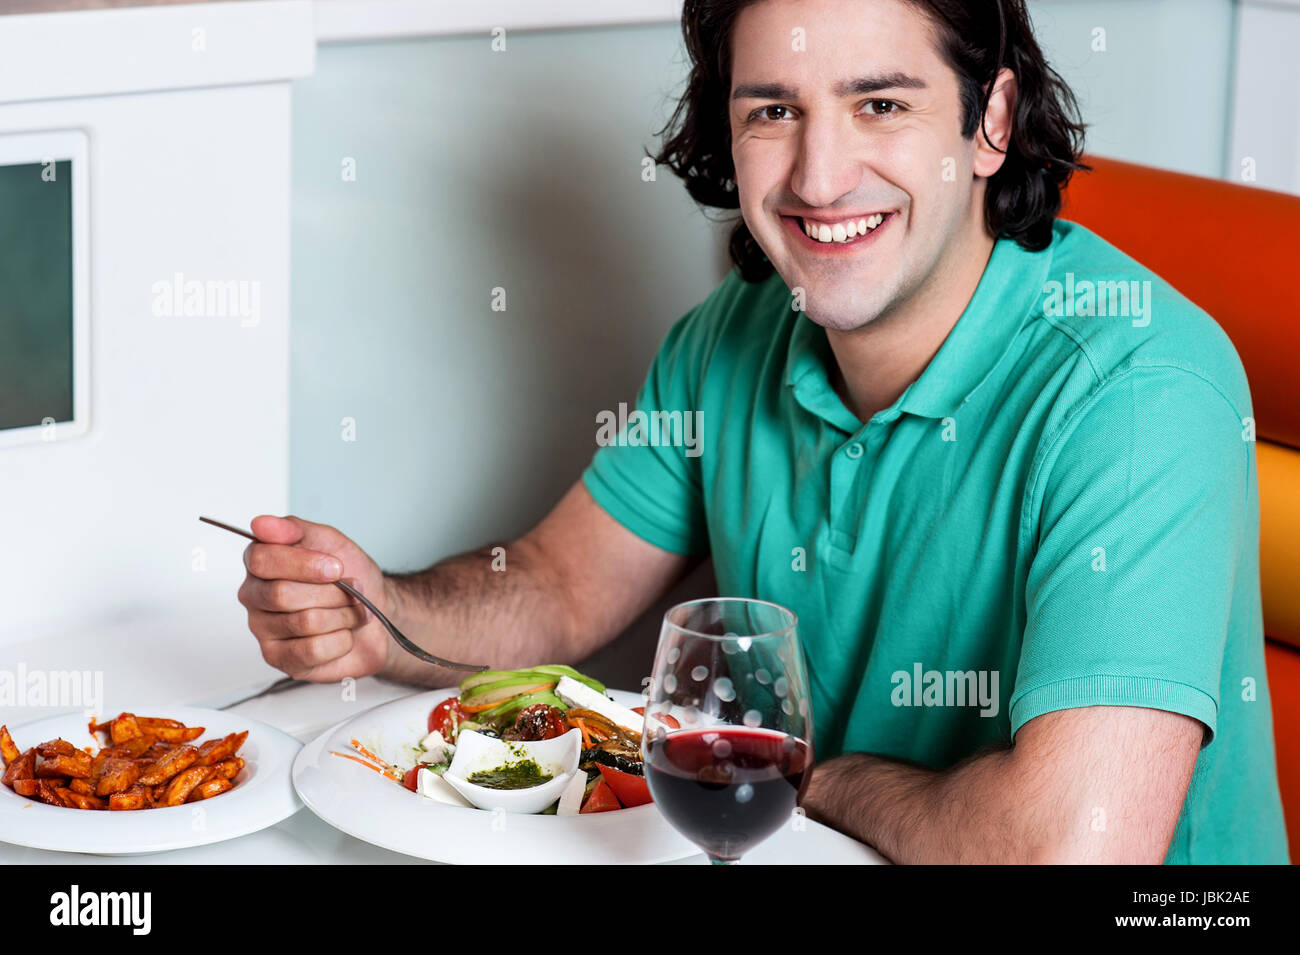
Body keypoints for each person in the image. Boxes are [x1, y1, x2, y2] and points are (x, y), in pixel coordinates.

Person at [238, 0, 1289, 864]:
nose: (820, 178)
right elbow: (559, 585)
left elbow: (1072, 850)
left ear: (990, 122)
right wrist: (387, 616)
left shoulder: (1140, 388)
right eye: (773, 111)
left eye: (879, 103)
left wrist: (802, 776)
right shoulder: (730, 336)